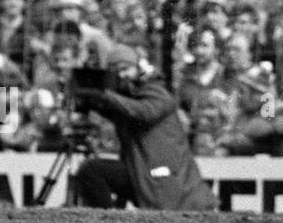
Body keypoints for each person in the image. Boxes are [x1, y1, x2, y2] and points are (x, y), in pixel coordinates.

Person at [73, 49, 218, 211]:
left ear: (137, 68)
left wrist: (106, 96)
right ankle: (107, 221)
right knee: (92, 171)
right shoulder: (129, 96)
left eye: (125, 69)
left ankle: (105, 221)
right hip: (145, 175)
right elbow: (123, 110)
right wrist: (88, 99)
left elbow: (144, 112)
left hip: (165, 182)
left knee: (92, 170)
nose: (121, 75)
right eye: (115, 71)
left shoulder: (156, 91)